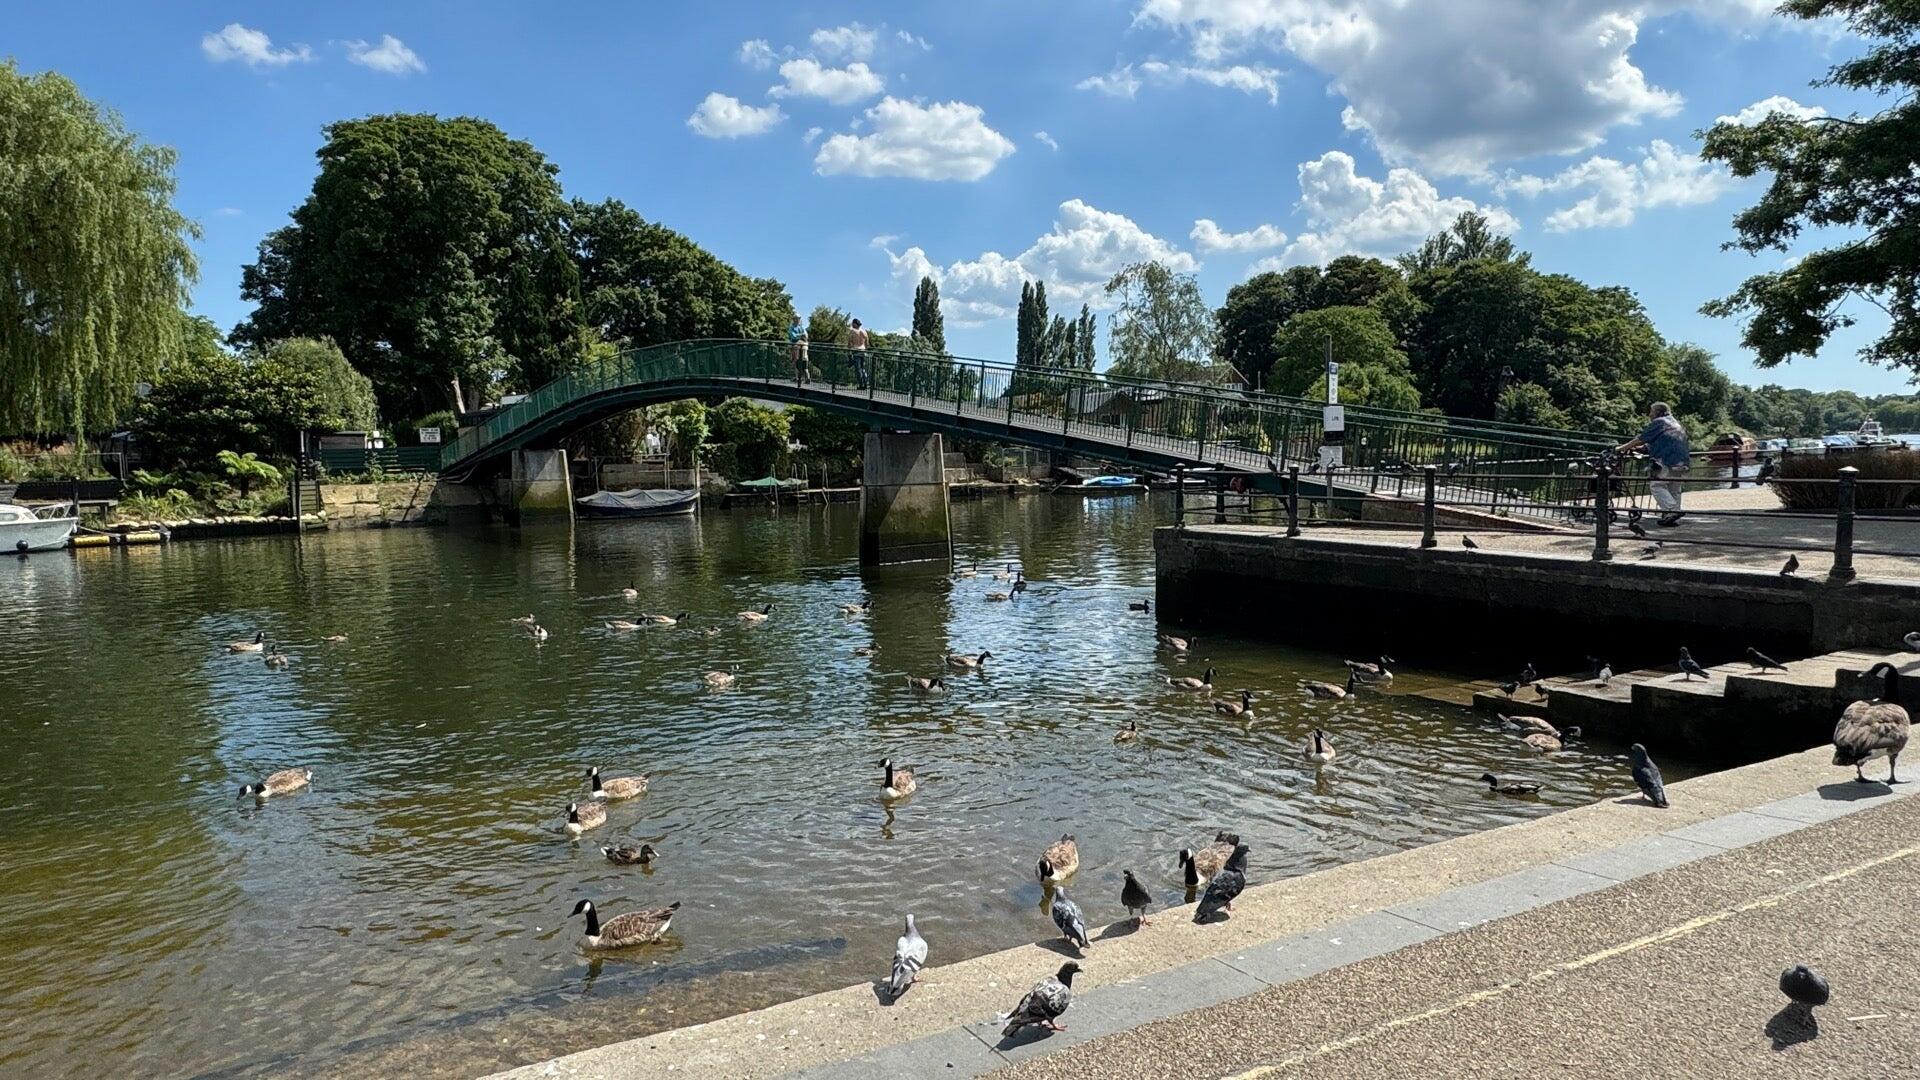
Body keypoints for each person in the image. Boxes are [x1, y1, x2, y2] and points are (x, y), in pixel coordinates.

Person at [1616, 401, 1690, 526]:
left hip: (1666, 459)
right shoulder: (1676, 424)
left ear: (1658, 412)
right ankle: (1672, 518)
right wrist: (1644, 448)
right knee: (1674, 488)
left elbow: (1640, 439)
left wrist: (1621, 448)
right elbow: (1663, 441)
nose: (1649, 415)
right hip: (1682, 461)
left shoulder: (1659, 422)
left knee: (1657, 485)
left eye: (1651, 412)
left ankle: (1672, 511)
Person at [847, 318, 869, 388]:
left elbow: (849, 343)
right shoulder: (864, 331)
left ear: (855, 324)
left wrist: (849, 352)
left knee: (858, 369)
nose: (852, 325)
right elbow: (867, 343)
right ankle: (866, 383)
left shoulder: (853, 331)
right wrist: (865, 349)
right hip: (863, 351)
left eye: (852, 323)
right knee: (863, 368)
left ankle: (861, 384)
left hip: (856, 351)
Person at [788, 316, 809, 385]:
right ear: (793, 319)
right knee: (795, 362)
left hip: (800, 346)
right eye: (796, 319)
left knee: (799, 362)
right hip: (795, 346)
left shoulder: (801, 327)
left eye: (798, 319)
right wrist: (801, 335)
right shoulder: (792, 327)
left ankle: (800, 378)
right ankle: (798, 377)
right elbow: (793, 336)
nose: (797, 320)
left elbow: (806, 335)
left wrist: (800, 336)